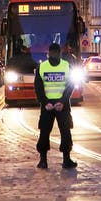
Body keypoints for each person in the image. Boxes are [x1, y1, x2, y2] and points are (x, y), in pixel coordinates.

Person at [34, 42, 77, 170]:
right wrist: (47, 102)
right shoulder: (43, 67)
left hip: (57, 105)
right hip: (54, 105)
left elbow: (70, 85)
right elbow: (38, 87)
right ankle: (58, 160)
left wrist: (59, 102)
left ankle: (47, 160)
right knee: (48, 132)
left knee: (63, 132)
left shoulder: (60, 66)